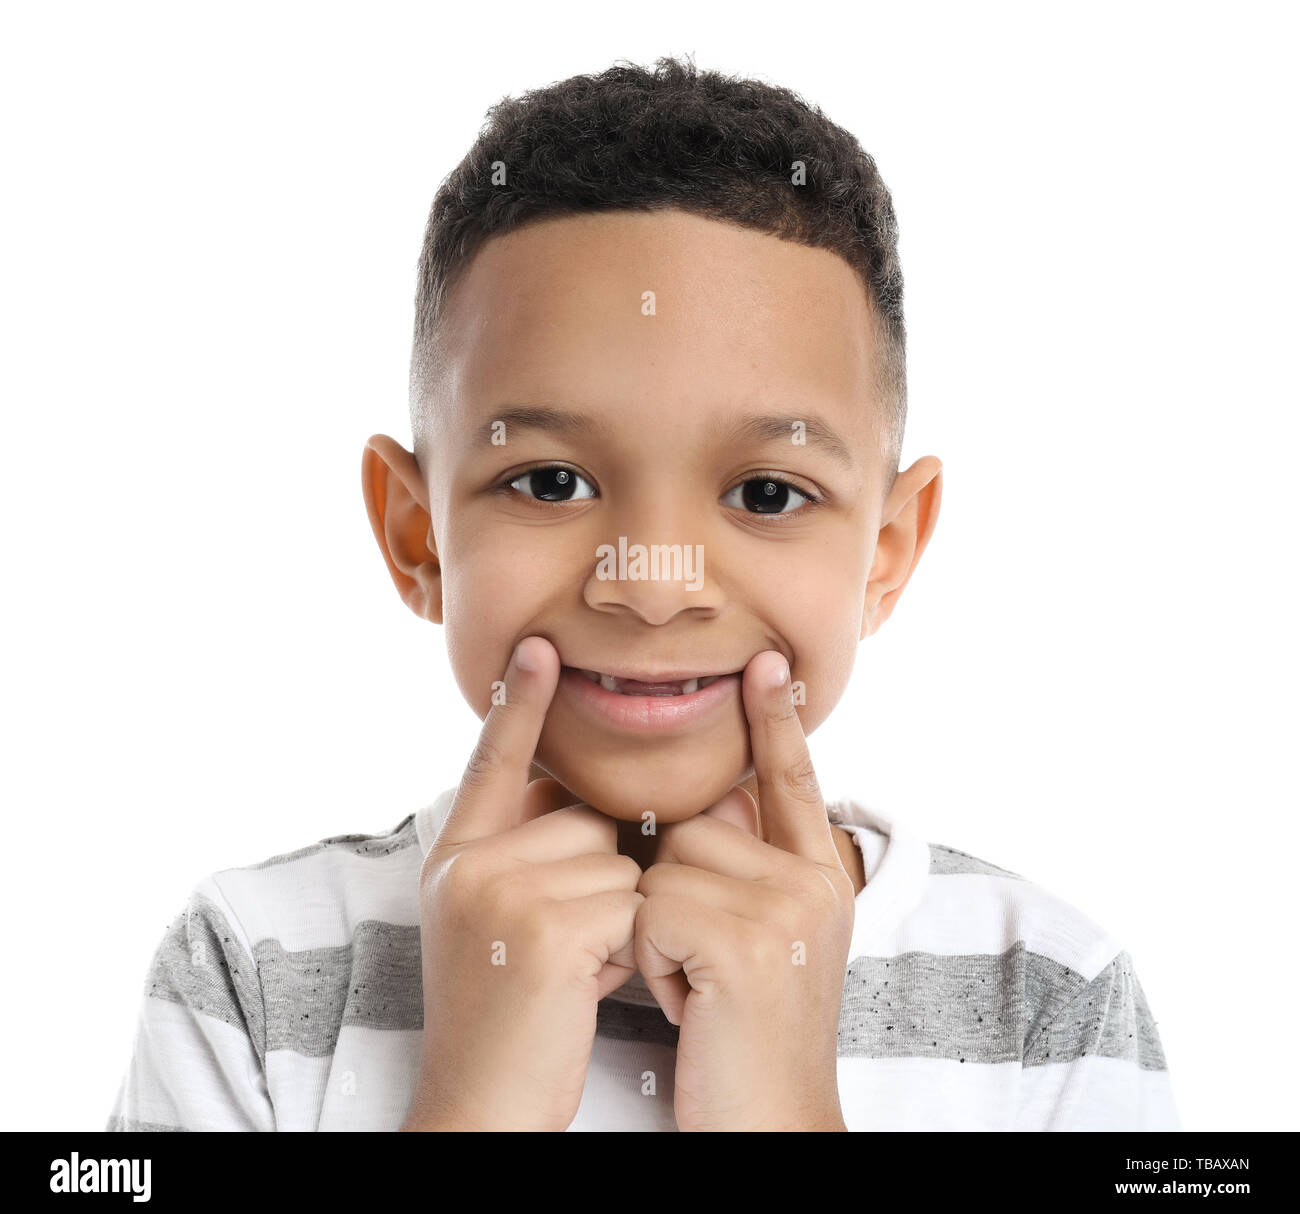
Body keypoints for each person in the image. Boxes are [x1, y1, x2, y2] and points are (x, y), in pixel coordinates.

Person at [107, 55, 1178, 1132]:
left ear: (887, 551)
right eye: (550, 481)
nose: (654, 587)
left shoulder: (1052, 1000)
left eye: (766, 492)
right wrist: (475, 1105)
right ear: (416, 532)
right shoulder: (246, 971)